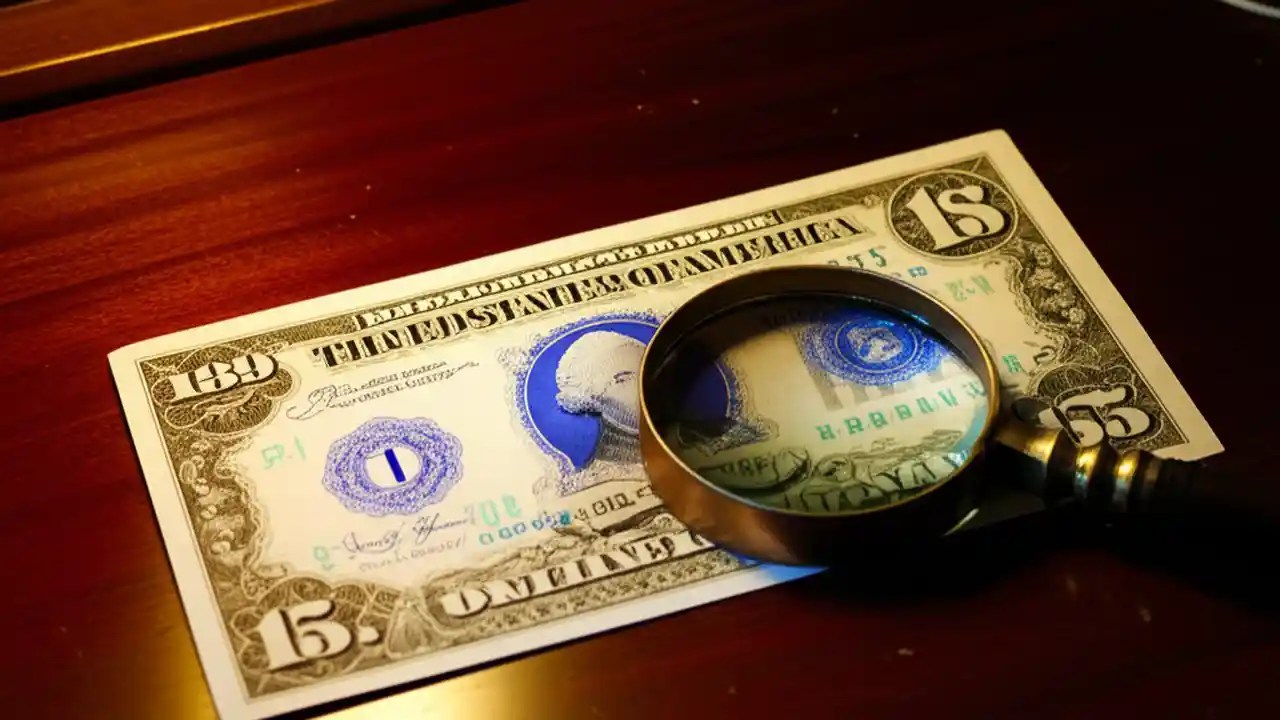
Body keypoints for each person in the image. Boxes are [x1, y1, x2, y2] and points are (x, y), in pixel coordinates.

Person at [552, 330, 646, 494]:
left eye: (646, 369)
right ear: (593, 398)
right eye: (623, 379)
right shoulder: (597, 483)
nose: (644, 383)